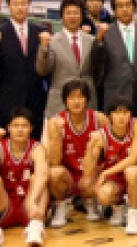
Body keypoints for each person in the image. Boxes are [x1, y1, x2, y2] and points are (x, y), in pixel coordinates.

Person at [0, 108, 50, 247]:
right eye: (16, 126)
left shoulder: (37, 147)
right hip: (6, 205)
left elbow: (42, 175)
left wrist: (31, 201)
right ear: (8, 128)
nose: (20, 130)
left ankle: (35, 226)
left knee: (39, 179)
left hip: (29, 207)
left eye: (24, 126)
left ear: (31, 128)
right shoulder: (0, 146)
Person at [0, 0, 49, 136]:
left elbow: (46, 68)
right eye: (16, 4)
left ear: (29, 5)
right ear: (8, 7)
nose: (20, 7)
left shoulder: (41, 31)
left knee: (33, 142)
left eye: (23, 3)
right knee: (6, 143)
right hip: (9, 99)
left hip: (35, 98)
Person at [44, 80, 106, 227]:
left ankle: (91, 202)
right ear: (65, 101)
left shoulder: (99, 119)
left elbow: (109, 155)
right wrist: (58, 137)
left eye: (80, 97)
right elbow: (54, 161)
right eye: (71, 98)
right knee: (54, 173)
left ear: (87, 99)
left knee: (91, 177)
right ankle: (60, 206)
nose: (76, 102)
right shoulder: (56, 122)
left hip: (91, 173)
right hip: (69, 175)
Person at [81, 96, 137, 233]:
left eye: (125, 112)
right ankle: (118, 206)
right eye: (117, 113)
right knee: (102, 193)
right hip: (116, 178)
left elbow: (133, 159)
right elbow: (87, 171)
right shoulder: (101, 135)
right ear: (110, 115)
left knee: (131, 171)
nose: (121, 117)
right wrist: (90, 146)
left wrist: (105, 173)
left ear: (130, 114)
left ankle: (133, 214)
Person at [38, 0, 100, 117]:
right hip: (60, 103)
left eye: (76, 13)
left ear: (82, 16)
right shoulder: (52, 41)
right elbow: (43, 70)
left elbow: (98, 71)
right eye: (68, 13)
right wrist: (44, 48)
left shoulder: (92, 41)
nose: (72, 17)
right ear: (62, 16)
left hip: (88, 102)